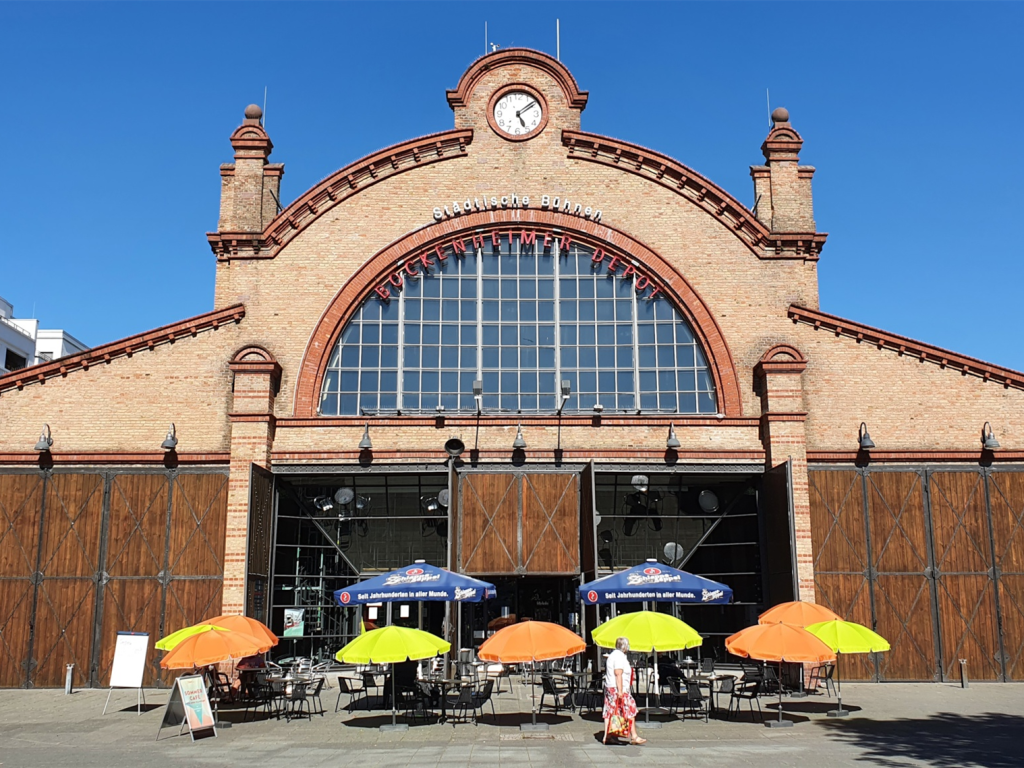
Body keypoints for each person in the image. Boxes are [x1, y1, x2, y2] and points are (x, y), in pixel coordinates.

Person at [603, 637, 645, 745]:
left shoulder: (612, 655)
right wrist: (620, 691)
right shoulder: (619, 657)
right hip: (618, 688)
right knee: (630, 708)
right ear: (624, 646)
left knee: (610, 710)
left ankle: (607, 735)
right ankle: (634, 736)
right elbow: (618, 674)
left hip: (610, 687)